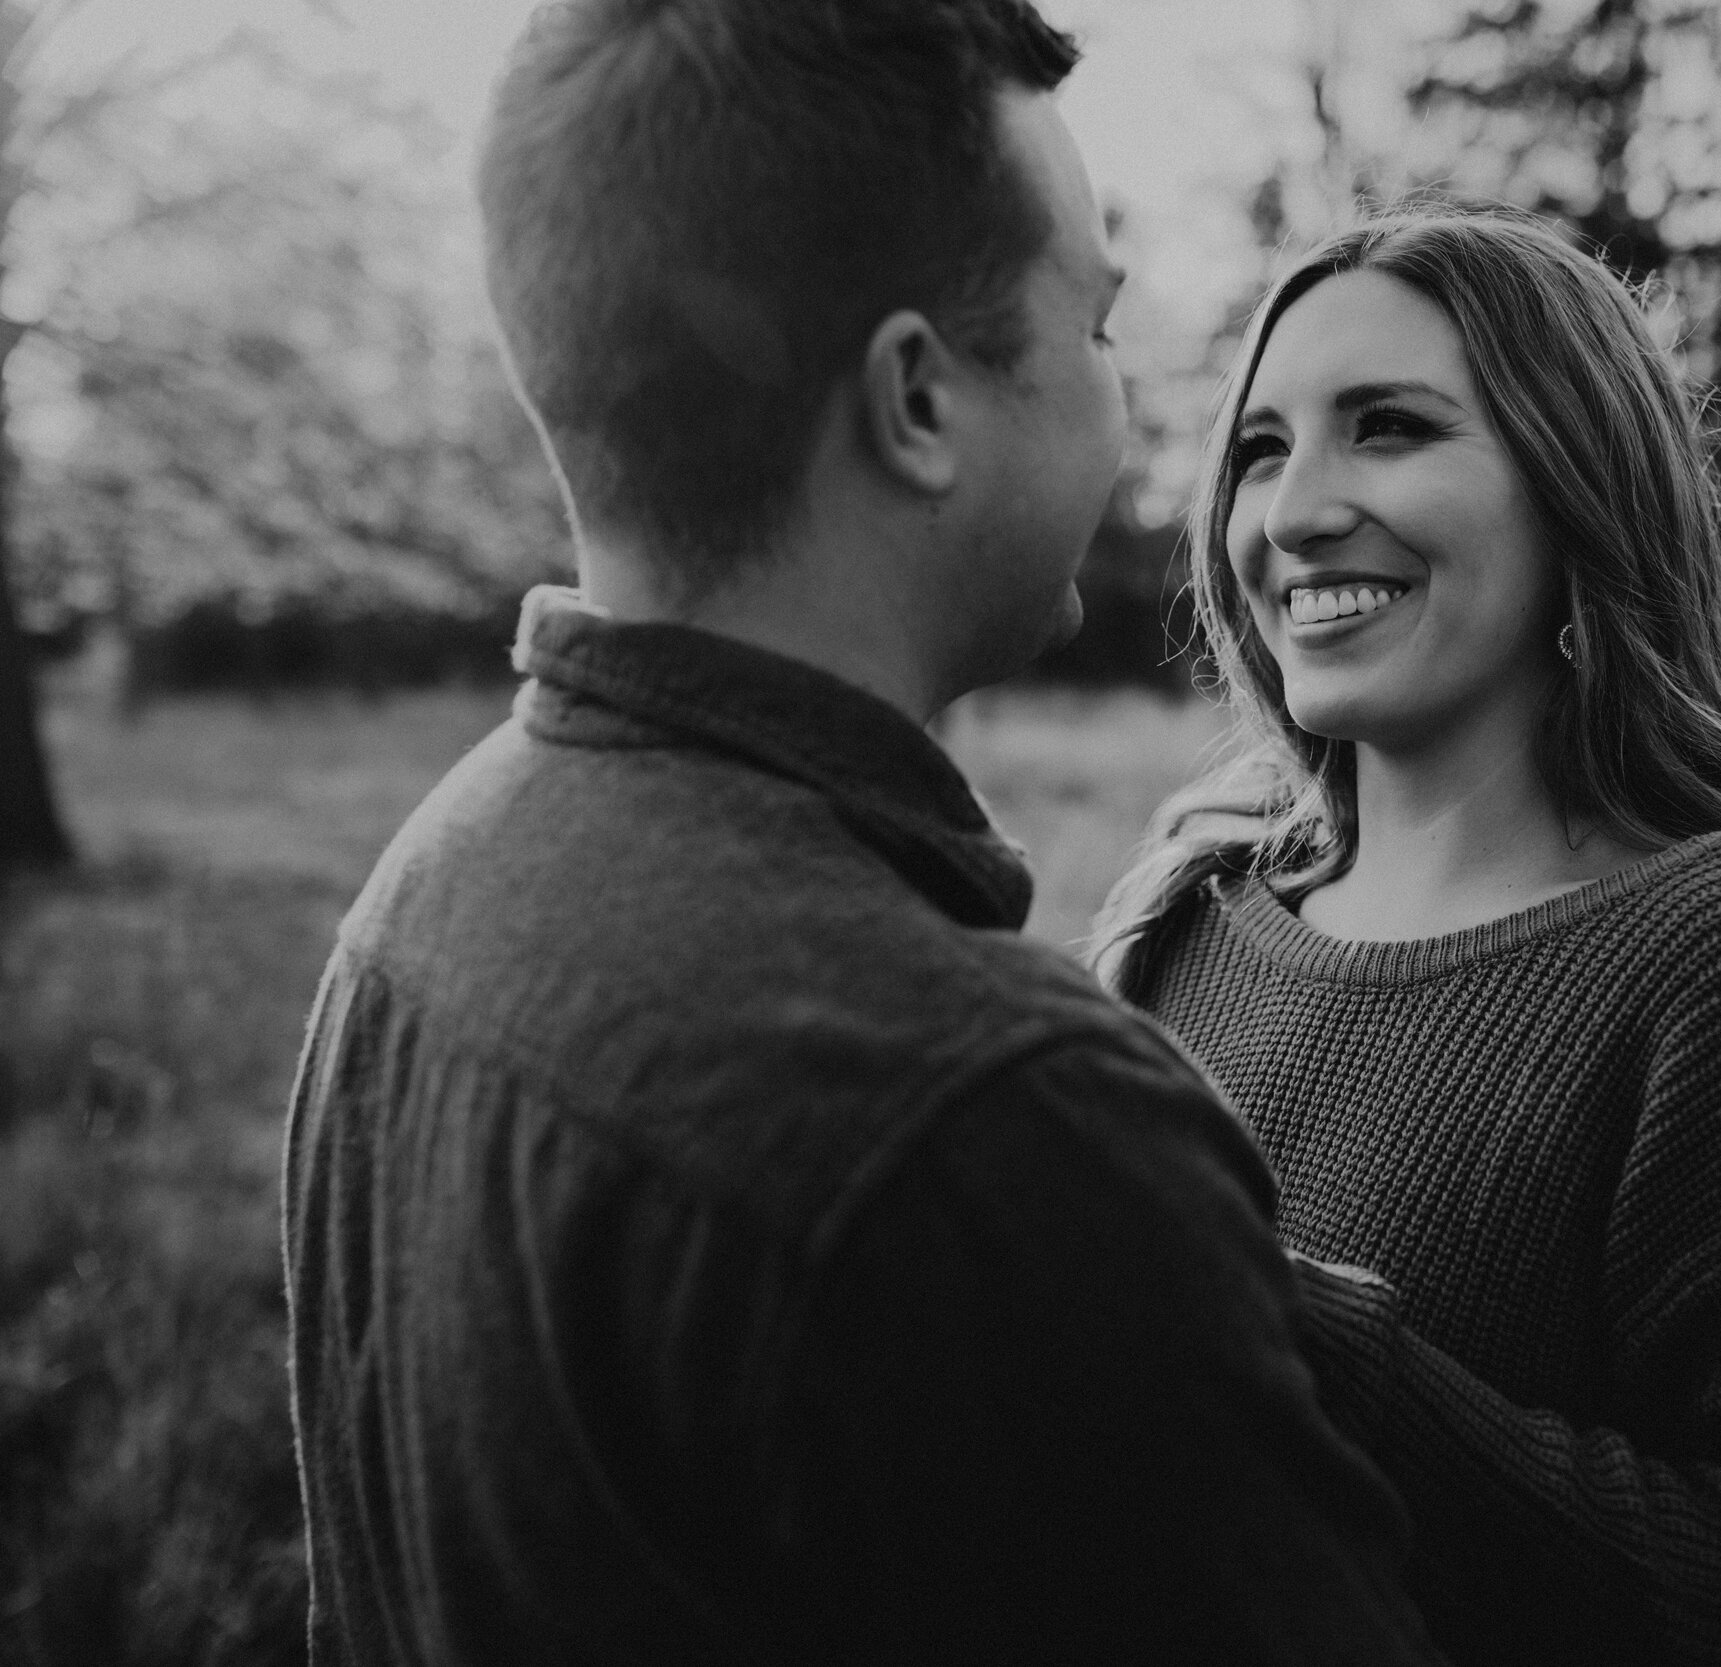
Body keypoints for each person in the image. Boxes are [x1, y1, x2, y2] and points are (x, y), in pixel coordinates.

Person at [279, 4, 1448, 1663]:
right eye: (1096, 327)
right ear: (917, 397)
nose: (1132, 411)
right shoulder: (990, 1123)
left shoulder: (435, 880)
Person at [1095, 205, 1721, 1665]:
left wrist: (1299, 1340)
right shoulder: (1184, 919)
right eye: (1261, 447)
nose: (1297, 509)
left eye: (1389, 428)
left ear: (1577, 483)